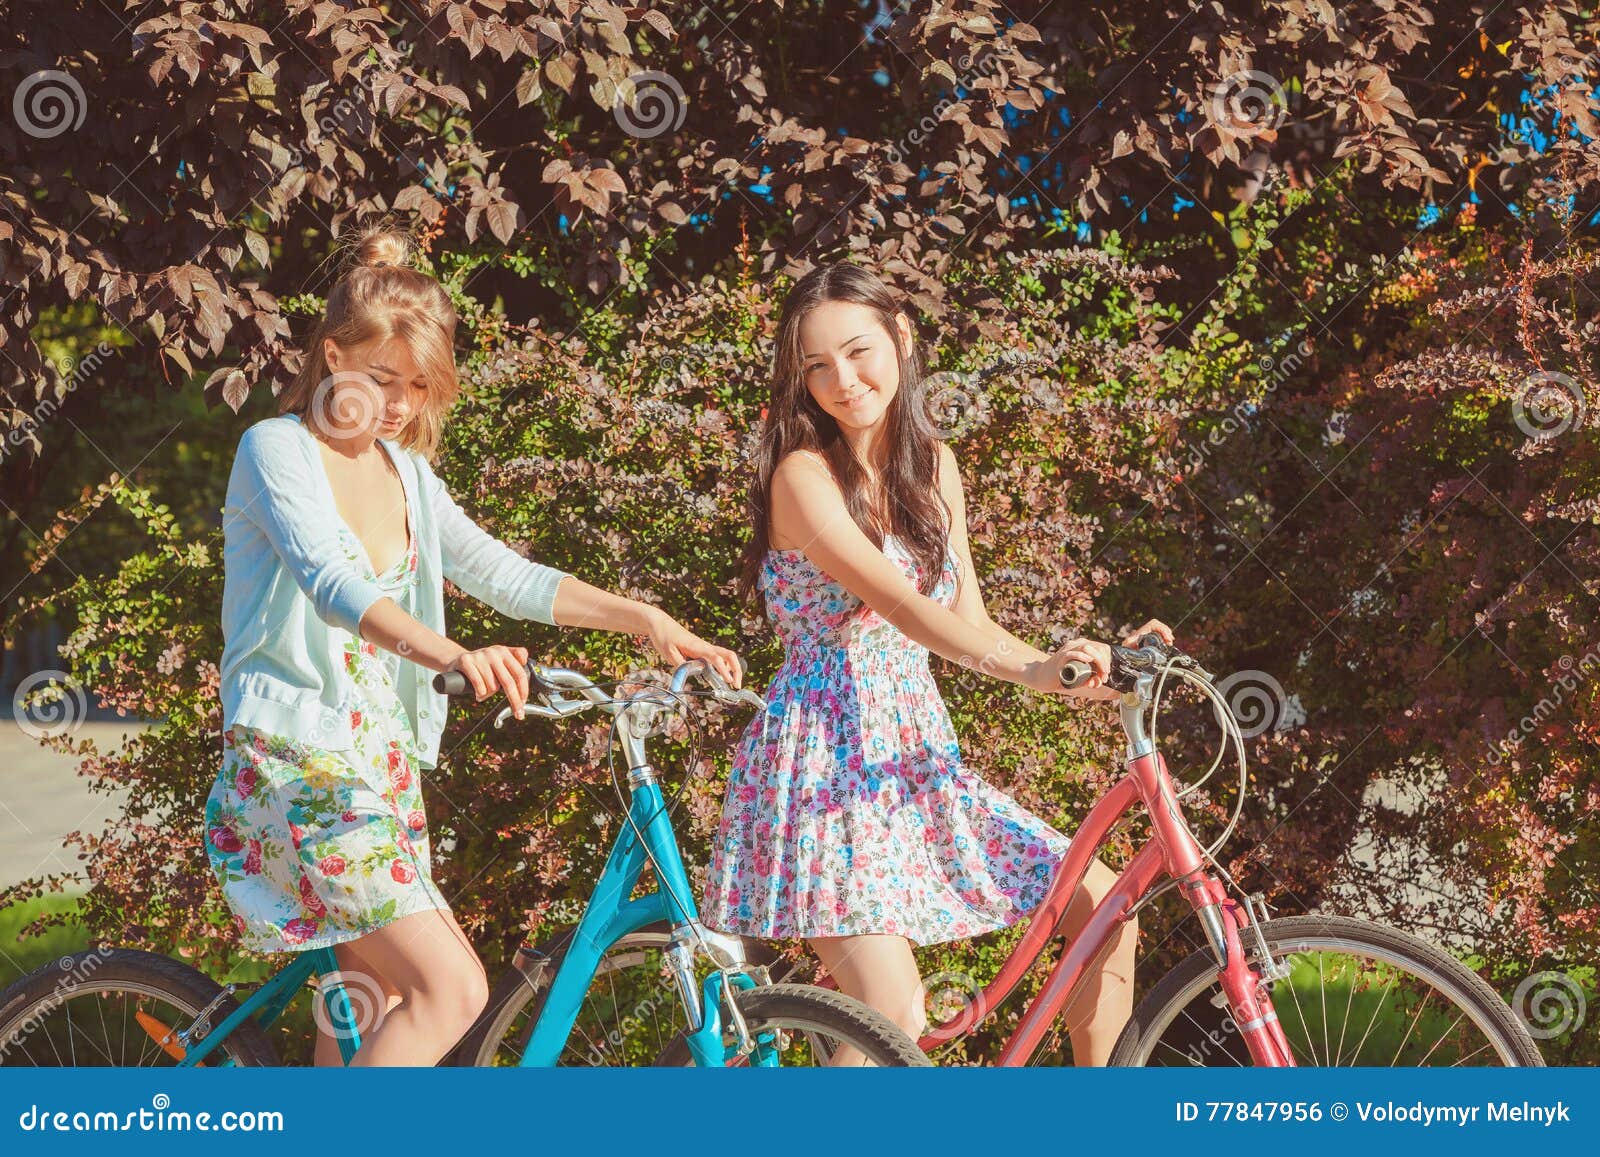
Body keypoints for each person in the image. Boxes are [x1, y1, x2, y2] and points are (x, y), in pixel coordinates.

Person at [204, 226, 742, 1066]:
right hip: (295, 756)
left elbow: (506, 574)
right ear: (333, 353)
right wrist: (451, 655)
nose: (399, 406)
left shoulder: (408, 476)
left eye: (418, 387)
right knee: (452, 987)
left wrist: (643, 616)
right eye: (381, 379)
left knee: (363, 1005)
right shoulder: (277, 449)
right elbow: (332, 582)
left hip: (378, 760)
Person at [700, 260, 1172, 1065]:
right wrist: (1032, 670)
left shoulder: (934, 466)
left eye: (858, 352)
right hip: (821, 773)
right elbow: (904, 610)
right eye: (816, 366)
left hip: (914, 761)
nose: (842, 380)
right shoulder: (803, 478)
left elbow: (969, 620)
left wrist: (1082, 672)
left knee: (1102, 906)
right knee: (889, 1012)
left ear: (901, 336)